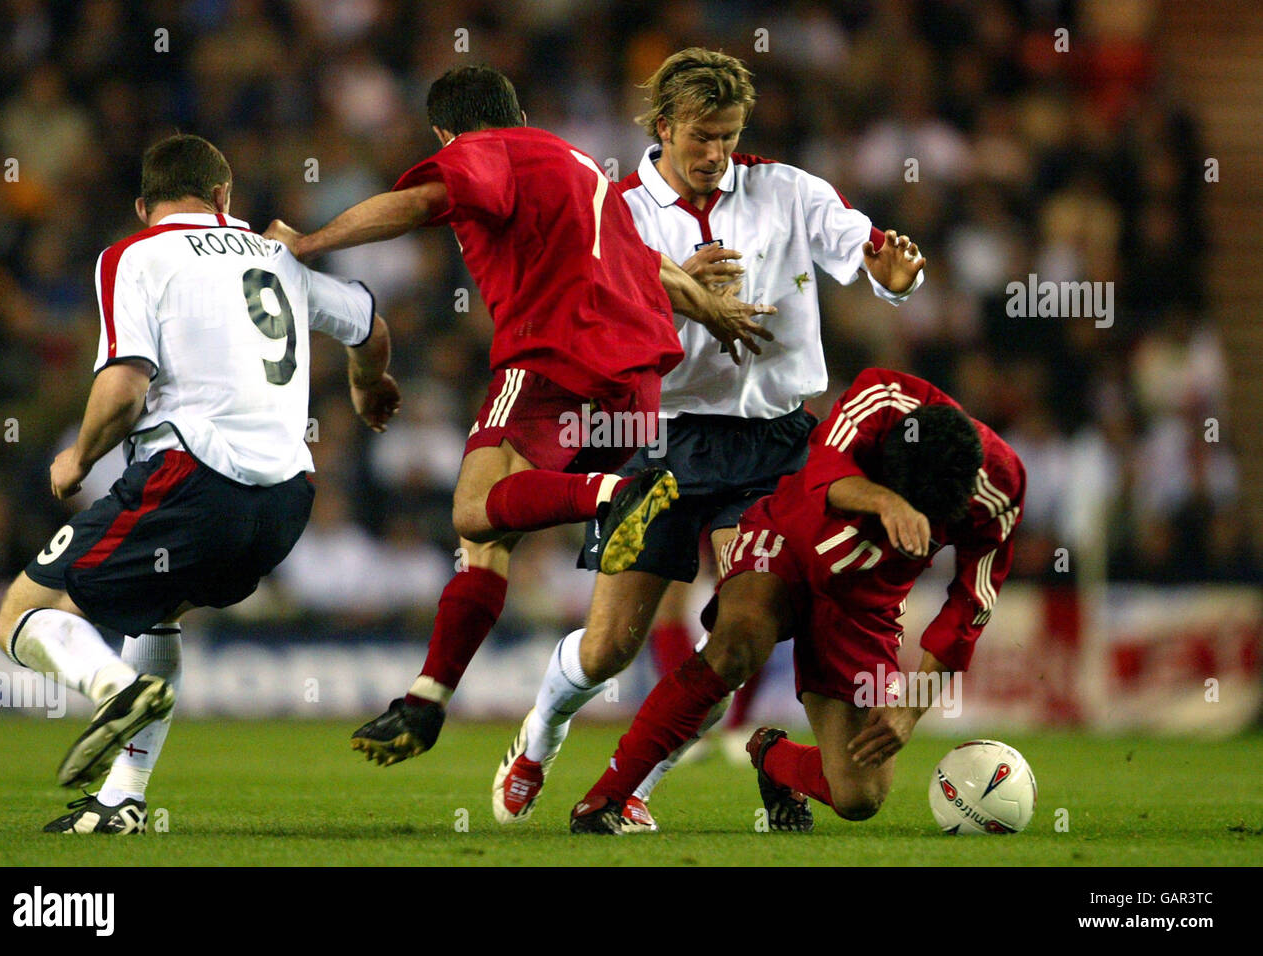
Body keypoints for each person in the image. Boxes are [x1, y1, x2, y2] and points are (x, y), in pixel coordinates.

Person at [265, 64, 777, 767]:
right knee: (493, 534)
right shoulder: (577, 168)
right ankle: (426, 700)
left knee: (474, 512)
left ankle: (613, 496)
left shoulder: (486, 149)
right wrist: (708, 304)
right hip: (634, 394)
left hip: (552, 363)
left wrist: (309, 244)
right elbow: (646, 264)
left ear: (447, 131)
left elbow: (417, 203)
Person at [491, 48, 926, 832]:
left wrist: (895, 274)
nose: (715, 154)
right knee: (609, 646)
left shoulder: (787, 191)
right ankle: (539, 737)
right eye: (700, 136)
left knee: (740, 636)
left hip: (774, 448)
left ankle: (633, 792)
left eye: (727, 136)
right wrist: (677, 295)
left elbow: (864, 246)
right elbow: (589, 338)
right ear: (663, 127)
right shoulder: (617, 214)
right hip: (661, 442)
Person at [0, 133, 398, 833]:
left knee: (21, 613)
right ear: (223, 196)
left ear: (144, 205)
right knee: (161, 611)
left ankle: (114, 690)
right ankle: (122, 799)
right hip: (286, 504)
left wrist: (77, 461)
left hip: (193, 480)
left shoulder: (133, 254)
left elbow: (123, 387)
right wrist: (369, 390)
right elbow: (369, 324)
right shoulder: (280, 254)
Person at [566, 368, 1026, 834]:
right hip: (787, 539)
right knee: (736, 644)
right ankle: (608, 797)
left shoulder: (1002, 489)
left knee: (859, 796)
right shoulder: (883, 395)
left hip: (863, 608)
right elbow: (823, 467)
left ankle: (770, 756)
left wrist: (911, 709)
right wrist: (885, 503)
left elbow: (969, 610)